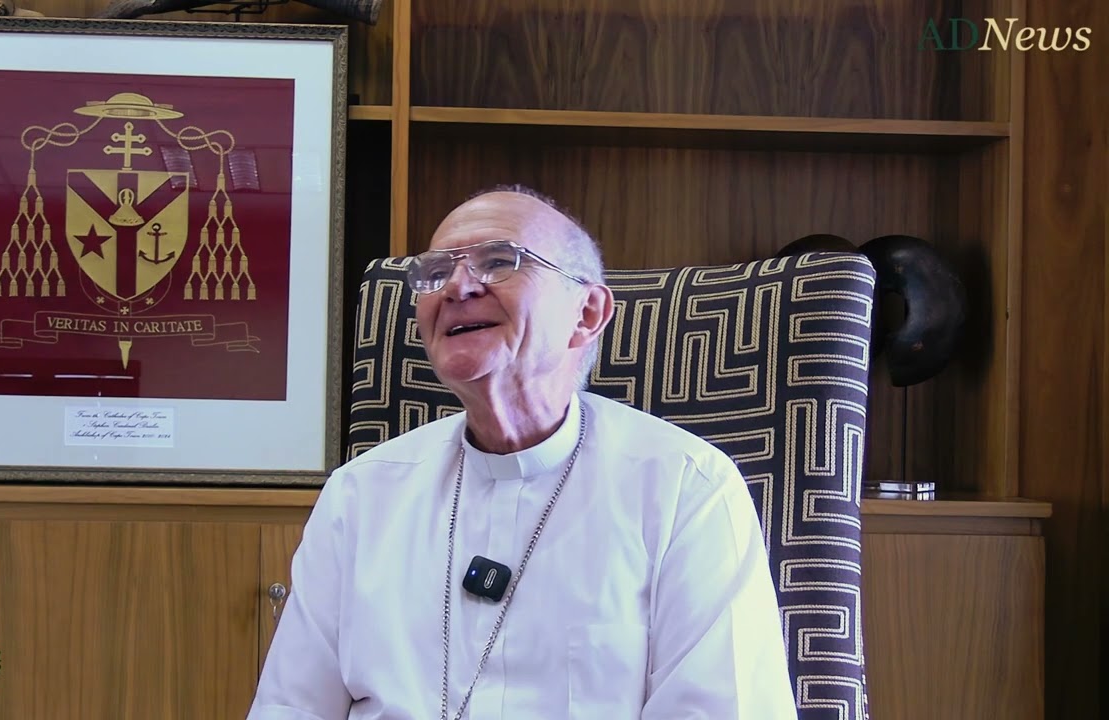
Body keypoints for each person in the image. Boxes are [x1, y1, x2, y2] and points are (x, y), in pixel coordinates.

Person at [248, 186, 798, 719]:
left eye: (498, 262)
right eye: (436, 272)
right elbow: (290, 707)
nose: (456, 287)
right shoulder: (359, 494)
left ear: (586, 313)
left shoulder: (687, 487)